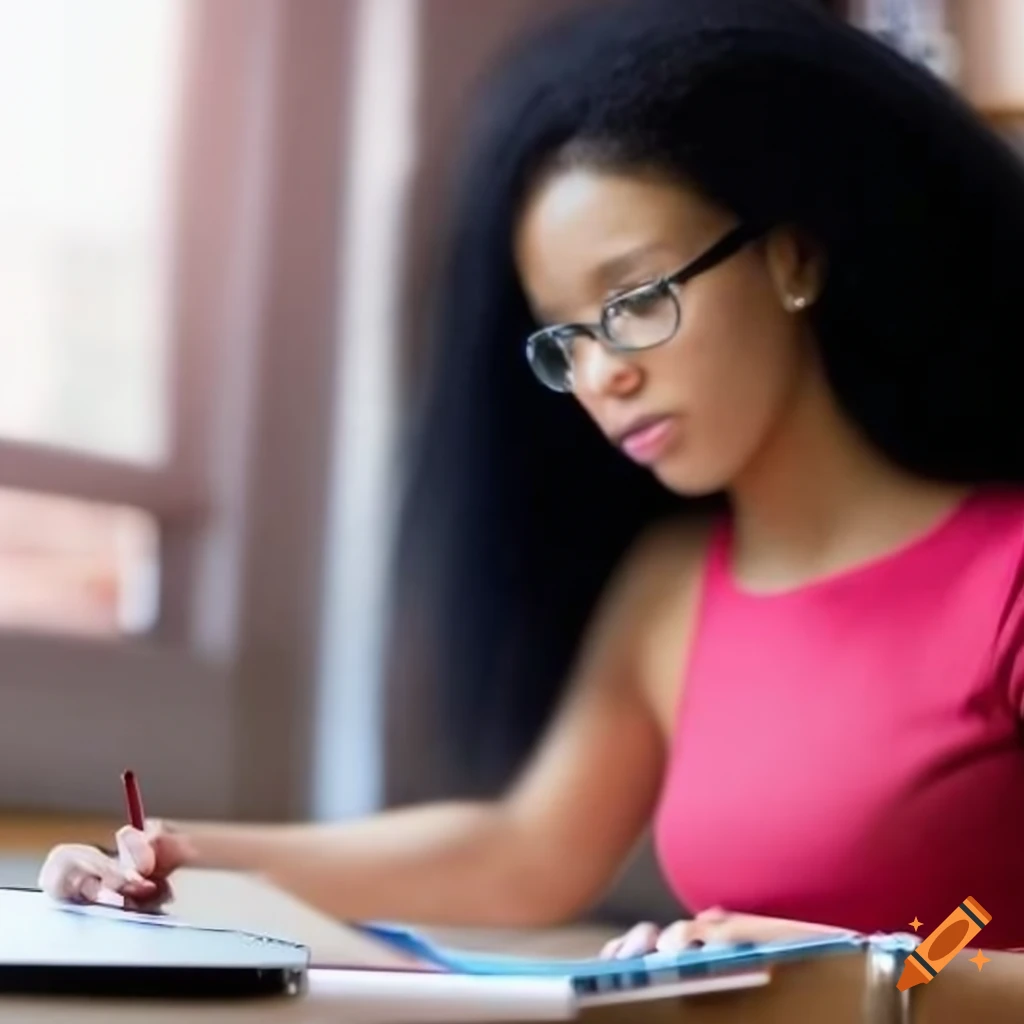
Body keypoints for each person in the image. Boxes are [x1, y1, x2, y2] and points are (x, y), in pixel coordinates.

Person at [40, 0, 1024, 954]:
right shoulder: (674, 588)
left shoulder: (1004, 578)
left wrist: (884, 978)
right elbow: (522, 853)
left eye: (633, 299)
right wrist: (188, 855)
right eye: (567, 336)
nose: (603, 374)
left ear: (793, 256)